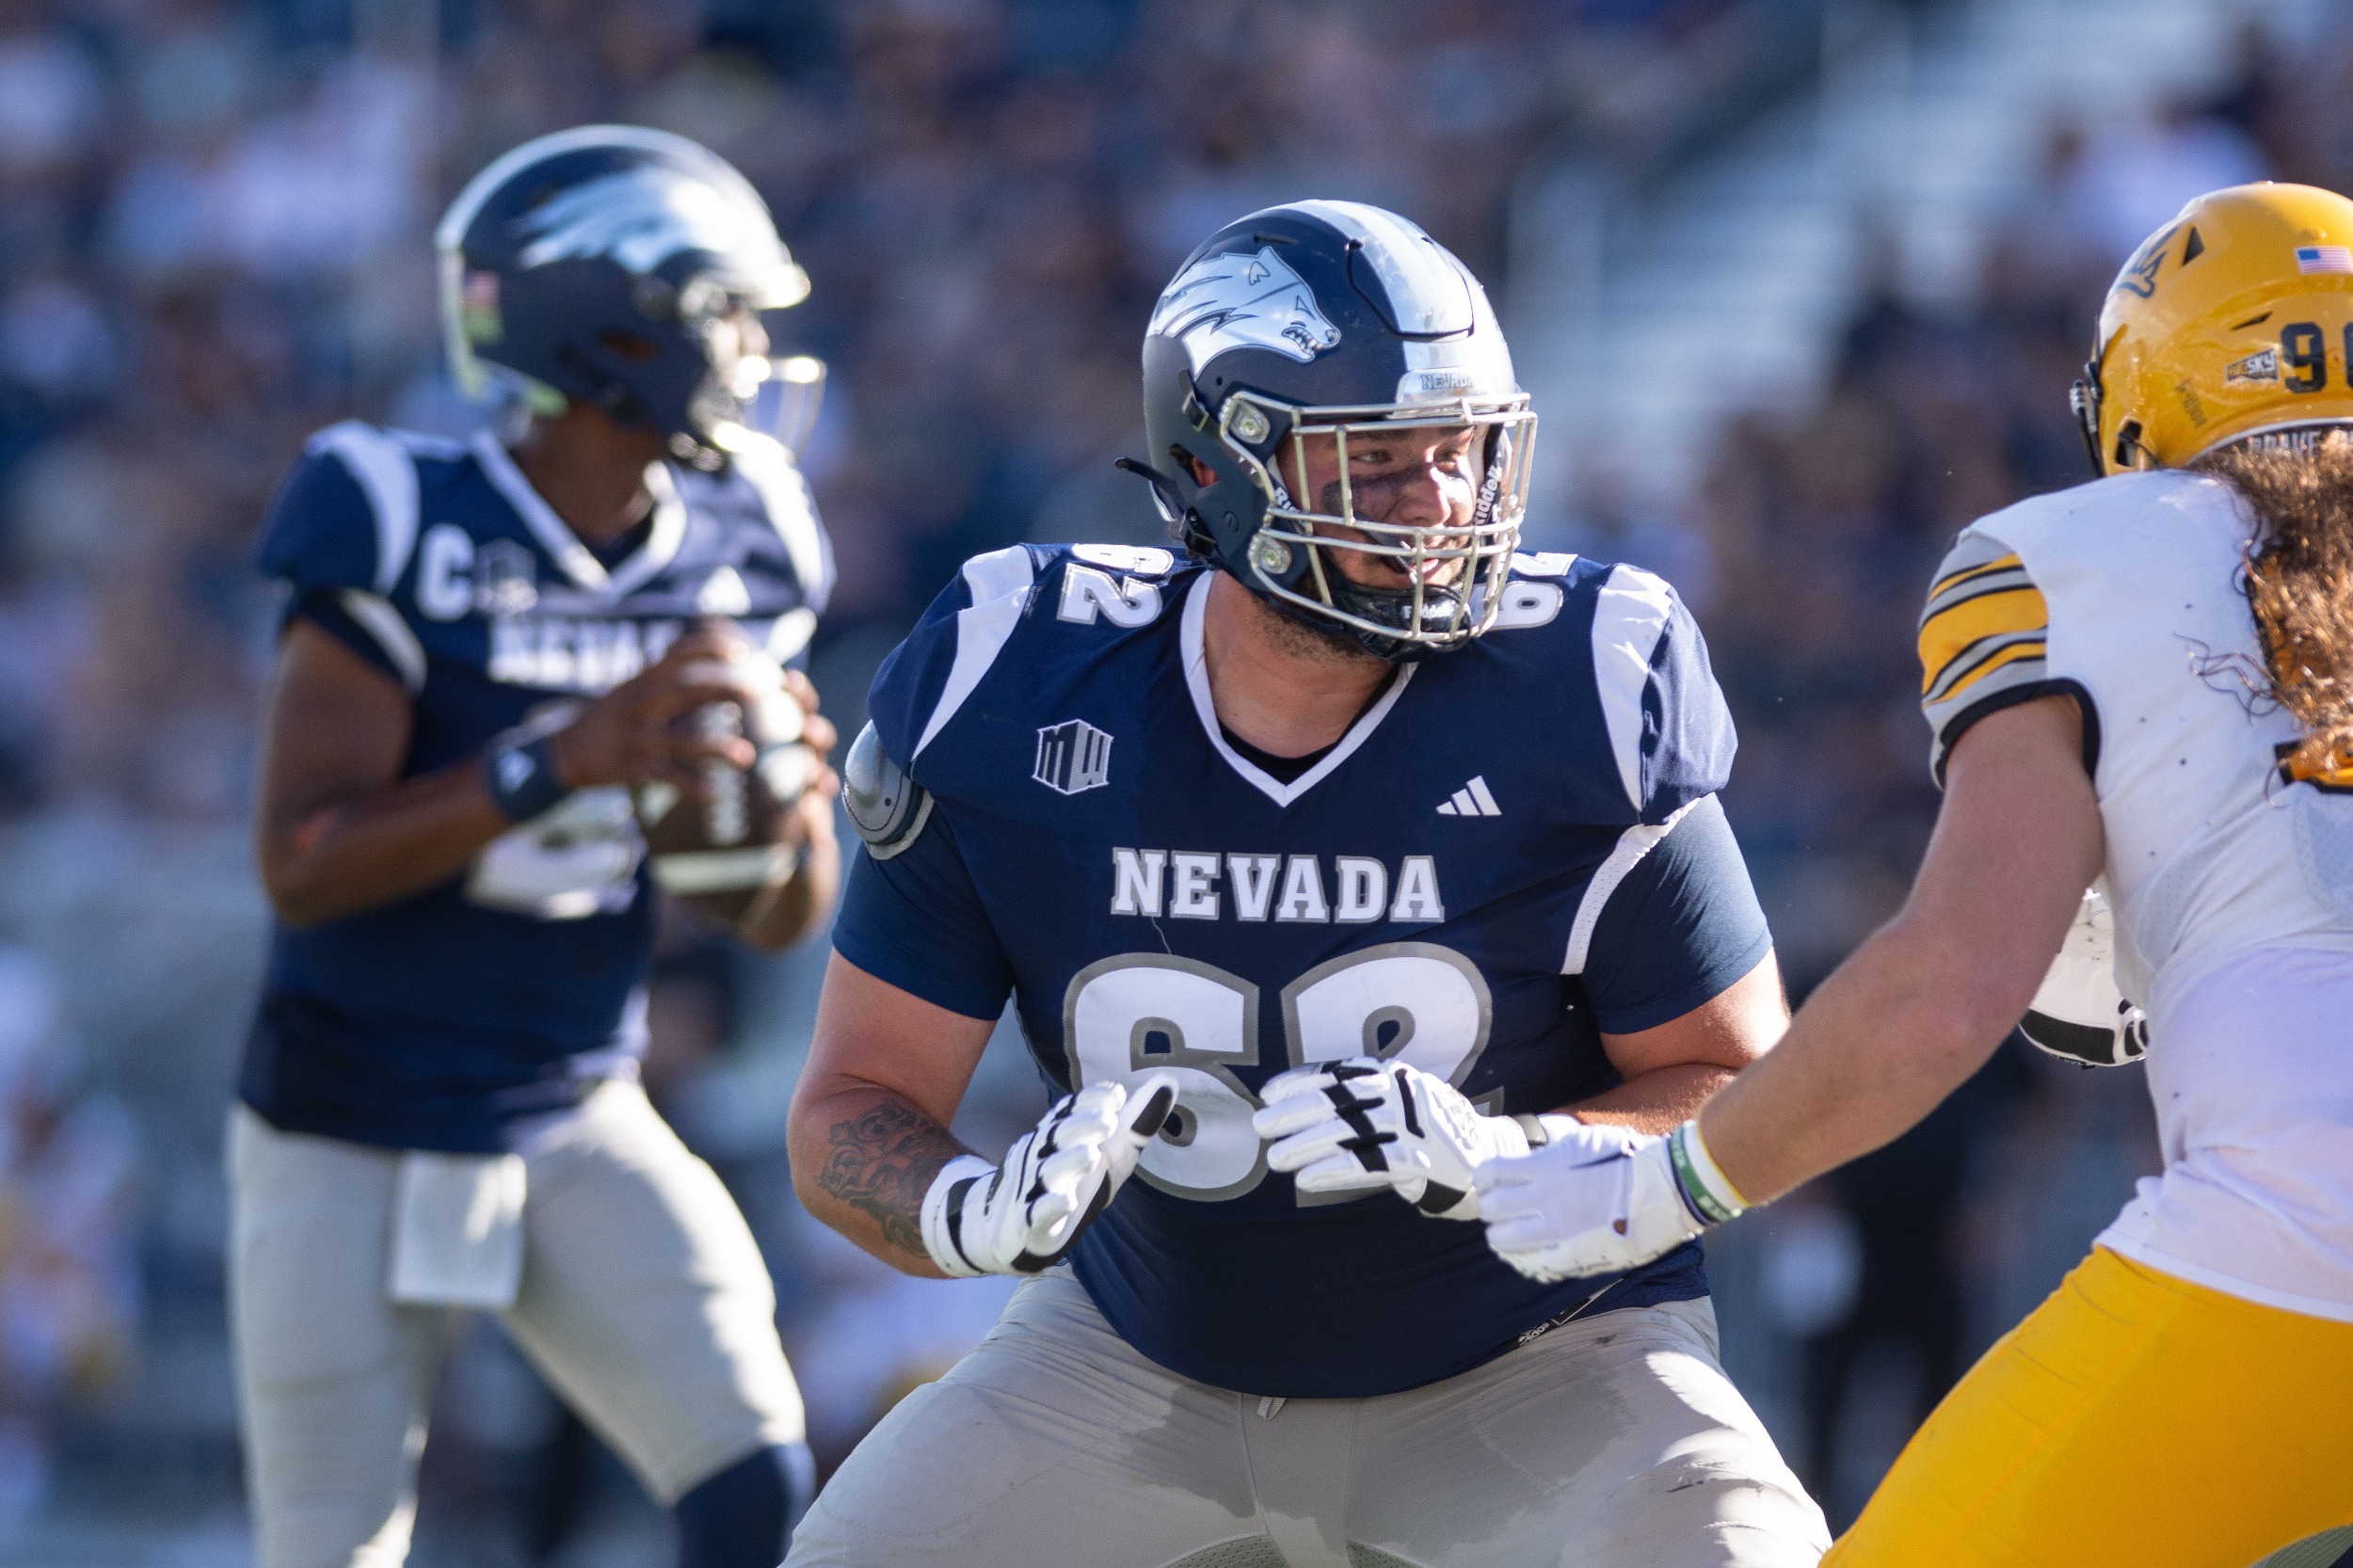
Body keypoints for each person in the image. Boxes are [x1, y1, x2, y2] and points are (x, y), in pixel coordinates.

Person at [784, 200, 1829, 1568]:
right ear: (1217, 471)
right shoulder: (1013, 680)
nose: (1444, 506)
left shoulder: (1577, 689)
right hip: (1129, 1355)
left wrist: (1524, 1159)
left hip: (1538, 1362)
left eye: (1459, 456)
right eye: (1379, 467)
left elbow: (1743, 1088)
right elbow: (851, 1109)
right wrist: (961, 1209)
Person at [1470, 182, 2353, 1566]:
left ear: (2148, 389)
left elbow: (1958, 984)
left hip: (2309, 1232)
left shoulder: (2079, 556)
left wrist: (1676, 1182)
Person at [231, 126, 839, 1568]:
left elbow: (772, 914)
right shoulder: (394, 511)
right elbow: (302, 857)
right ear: (619, 326)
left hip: (571, 1105)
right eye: (727, 311)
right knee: (335, 1547)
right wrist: (556, 759)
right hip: (345, 1119)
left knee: (760, 1482)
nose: (755, 348)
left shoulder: (744, 535)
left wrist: (773, 808)